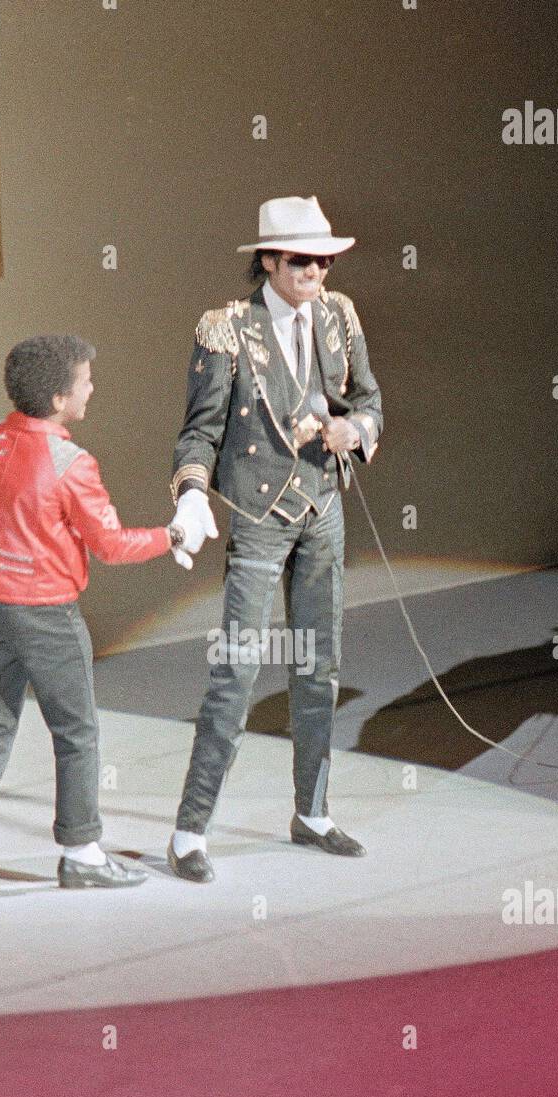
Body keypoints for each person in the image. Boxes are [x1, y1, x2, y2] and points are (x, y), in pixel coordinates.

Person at [0, 333, 193, 891]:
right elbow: (111, 545)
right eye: (85, 381)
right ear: (60, 398)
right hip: (48, 616)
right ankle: (83, 853)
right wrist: (175, 534)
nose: (92, 388)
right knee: (76, 732)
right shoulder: (71, 463)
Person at [166, 196, 383, 883]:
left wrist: (359, 431)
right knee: (236, 671)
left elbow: (369, 400)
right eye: (299, 260)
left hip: (323, 507)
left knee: (319, 664)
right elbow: (198, 430)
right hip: (260, 517)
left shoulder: (338, 317)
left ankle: (312, 812)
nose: (313, 271)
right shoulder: (227, 330)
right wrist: (194, 491)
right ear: (266, 260)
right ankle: (190, 832)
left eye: (322, 260)